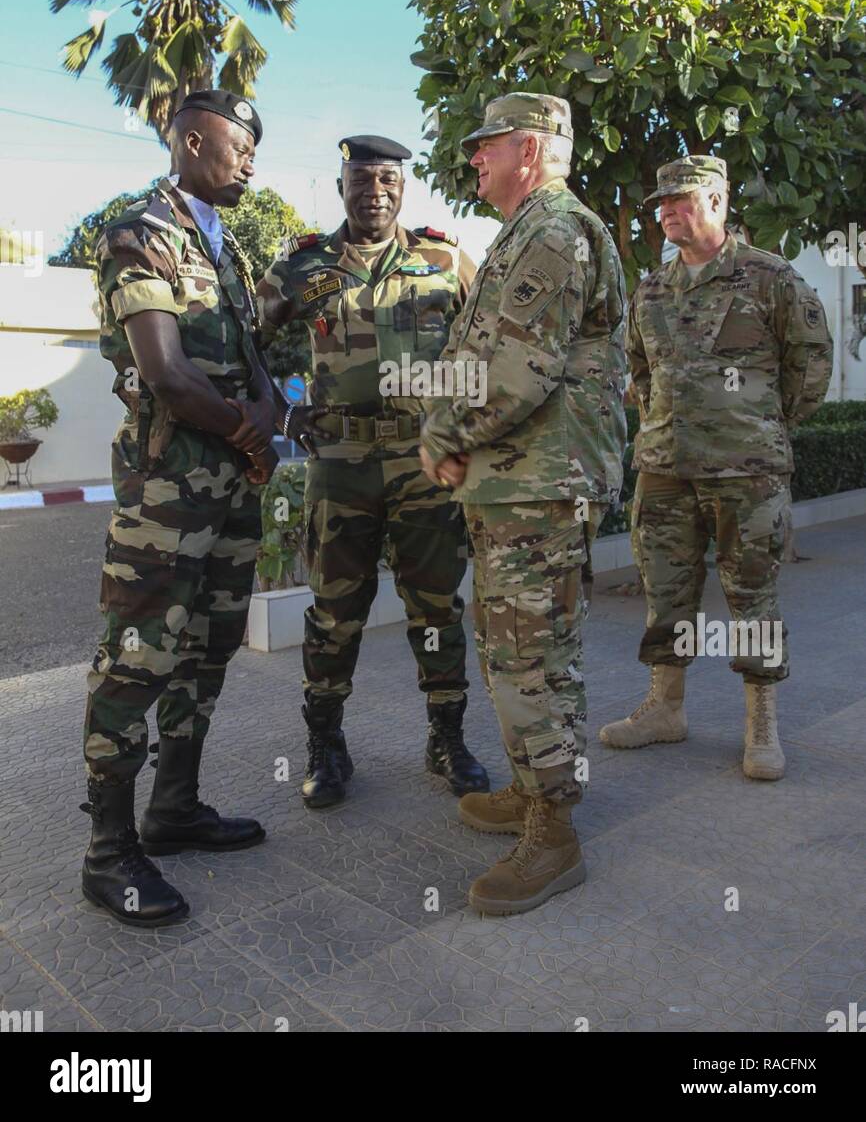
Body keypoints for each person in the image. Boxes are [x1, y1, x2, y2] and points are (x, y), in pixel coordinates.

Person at [419, 93, 627, 915]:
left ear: (531, 150)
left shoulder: (553, 232)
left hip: (544, 482)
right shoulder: (526, 230)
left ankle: (554, 833)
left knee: (532, 657)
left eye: (487, 146)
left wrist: (442, 435)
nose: (474, 158)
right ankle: (530, 788)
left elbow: (514, 369)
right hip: (519, 480)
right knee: (513, 646)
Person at [82, 90, 278, 926]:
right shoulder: (140, 234)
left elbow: (252, 355)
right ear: (194, 140)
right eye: (241, 146)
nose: (251, 162)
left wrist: (271, 413)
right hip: (168, 493)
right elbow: (165, 374)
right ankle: (107, 851)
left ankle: (175, 809)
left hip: (227, 490)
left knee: (207, 648)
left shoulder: (222, 242)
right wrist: (251, 435)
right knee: (138, 658)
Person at [257, 135, 489, 808]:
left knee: (437, 605)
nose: (375, 191)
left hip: (425, 461)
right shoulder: (303, 266)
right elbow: (245, 341)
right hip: (340, 462)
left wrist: (467, 427)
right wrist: (281, 415)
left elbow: (489, 339)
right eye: (362, 180)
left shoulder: (443, 259)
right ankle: (325, 746)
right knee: (334, 610)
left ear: (403, 188)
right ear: (341, 188)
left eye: (387, 179)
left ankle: (447, 736)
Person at [599, 155, 833, 779]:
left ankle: (761, 724)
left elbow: (809, 364)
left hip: (745, 471)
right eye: (662, 204)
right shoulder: (651, 289)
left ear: (719, 202)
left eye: (681, 200)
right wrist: (660, 427)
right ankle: (665, 709)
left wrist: (762, 426)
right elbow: (641, 373)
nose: (669, 212)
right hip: (664, 468)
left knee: (751, 596)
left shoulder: (770, 277)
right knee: (666, 595)